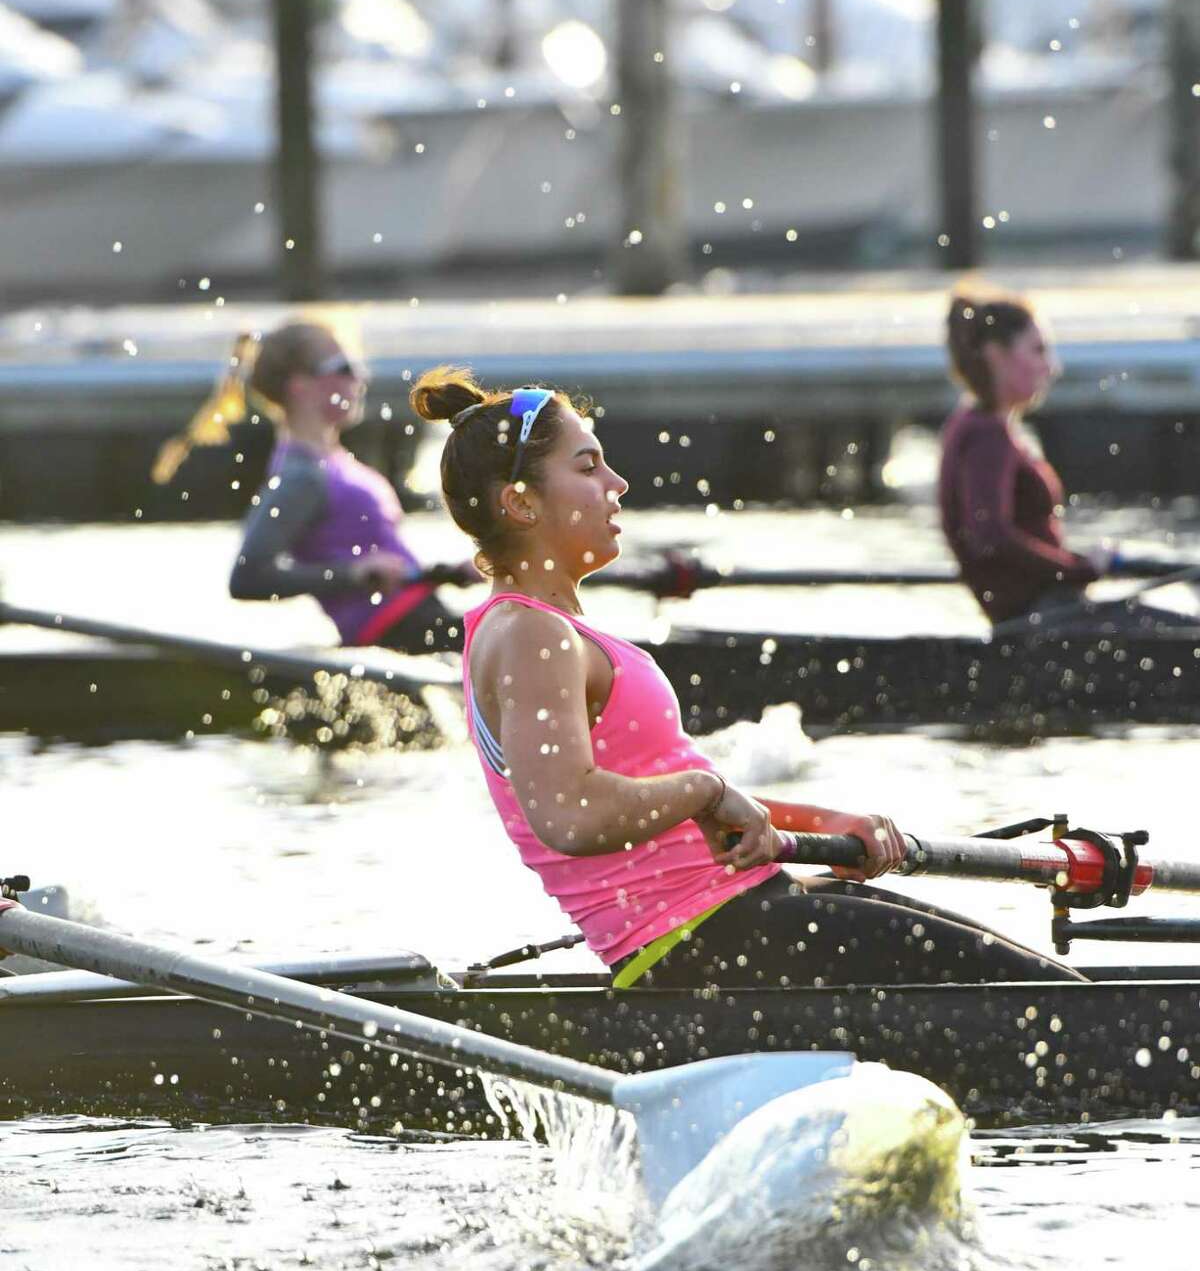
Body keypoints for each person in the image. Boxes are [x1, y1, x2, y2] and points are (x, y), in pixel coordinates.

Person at [411, 364, 1081, 987]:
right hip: (697, 944)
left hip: (730, 920)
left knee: (1036, 979)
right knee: (1044, 1001)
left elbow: (690, 809)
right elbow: (569, 814)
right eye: (589, 467)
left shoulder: (540, 631)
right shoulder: (530, 635)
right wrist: (705, 790)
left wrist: (828, 825)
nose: (618, 484)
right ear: (521, 504)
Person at [939, 289, 1193, 633]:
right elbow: (990, 536)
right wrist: (1078, 570)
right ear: (996, 355)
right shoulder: (986, 434)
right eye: (1038, 350)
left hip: (1043, 616)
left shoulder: (972, 424)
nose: (1052, 367)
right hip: (1039, 622)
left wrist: (1075, 563)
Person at [218, 320, 468, 651]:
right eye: (345, 367)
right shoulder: (300, 477)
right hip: (393, 633)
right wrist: (352, 575)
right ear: (300, 385)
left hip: (418, 620)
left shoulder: (332, 462)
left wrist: (448, 573)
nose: (360, 377)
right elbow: (247, 578)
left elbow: (386, 567)